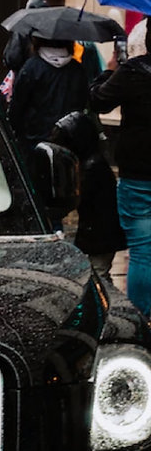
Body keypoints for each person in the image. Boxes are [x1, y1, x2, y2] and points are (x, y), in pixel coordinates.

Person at [89, 22, 151, 315]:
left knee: (141, 250)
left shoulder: (133, 71)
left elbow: (98, 100)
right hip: (137, 173)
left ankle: (143, 319)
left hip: (138, 173)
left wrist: (111, 68)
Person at [48, 111, 127, 284]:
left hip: (99, 238)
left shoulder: (91, 170)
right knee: (97, 275)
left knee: (98, 276)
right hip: (99, 236)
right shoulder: (92, 164)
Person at [7, 37, 89, 154]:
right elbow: (81, 104)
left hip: (34, 141)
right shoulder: (77, 70)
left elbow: (18, 106)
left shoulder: (32, 67)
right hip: (68, 141)